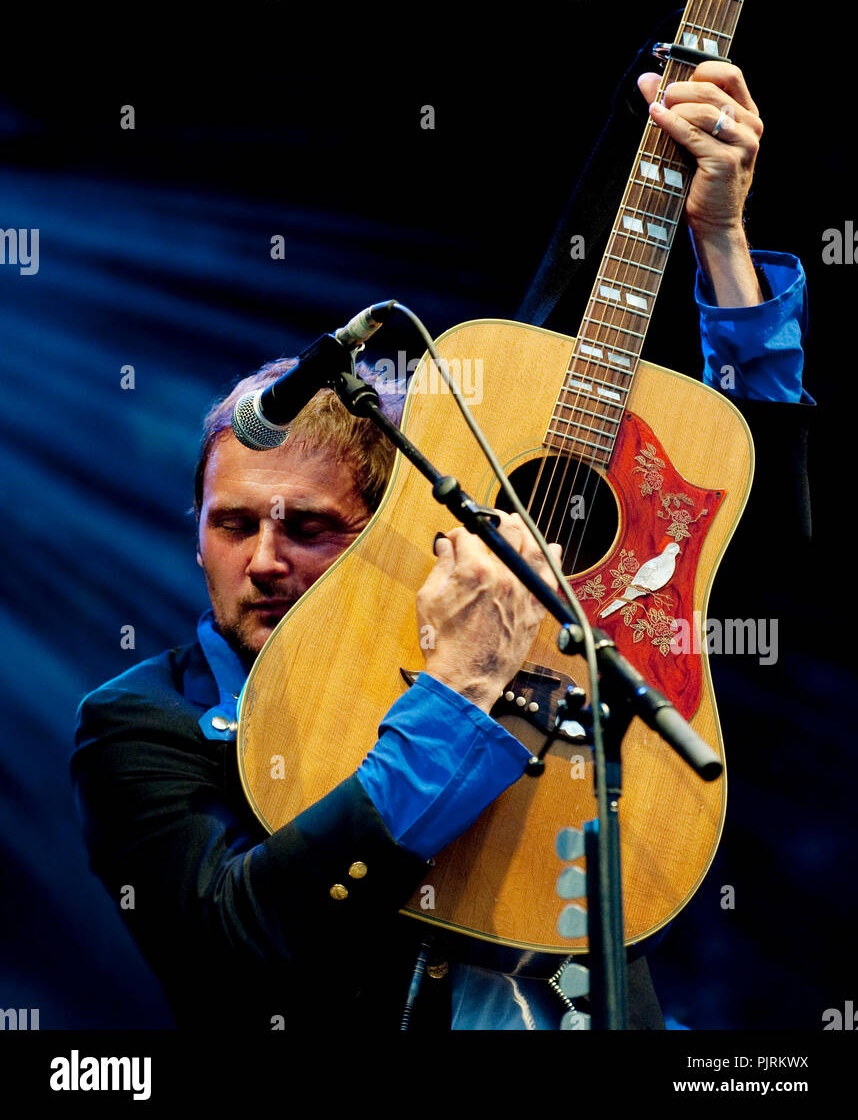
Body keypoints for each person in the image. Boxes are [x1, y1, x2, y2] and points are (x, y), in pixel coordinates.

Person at [70, 62, 810, 1030]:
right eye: (232, 522)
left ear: (394, 529)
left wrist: (721, 242)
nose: (261, 559)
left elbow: (749, 553)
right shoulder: (141, 720)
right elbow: (239, 945)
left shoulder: (527, 636)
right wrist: (459, 697)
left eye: (309, 527)